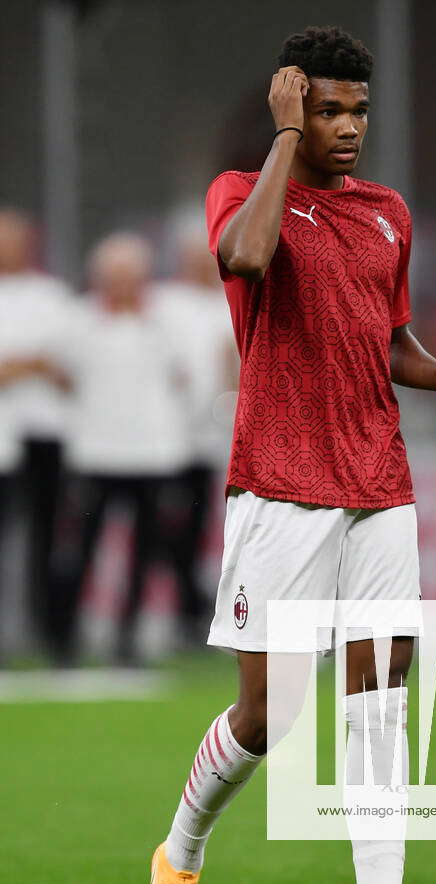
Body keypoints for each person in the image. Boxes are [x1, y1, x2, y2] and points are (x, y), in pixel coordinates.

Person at [140, 26, 436, 884]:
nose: (347, 128)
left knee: (379, 703)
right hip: (282, 483)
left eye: (357, 111)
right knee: (272, 717)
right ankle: (178, 861)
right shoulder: (242, 195)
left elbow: (381, 341)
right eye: (326, 110)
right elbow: (246, 261)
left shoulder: (386, 212)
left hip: (378, 482)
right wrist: (281, 144)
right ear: (292, 107)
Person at [49, 233, 189, 665]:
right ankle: (65, 641)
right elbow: (60, 375)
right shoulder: (77, 320)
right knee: (78, 550)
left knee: (147, 553)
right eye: (114, 276)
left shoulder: (165, 320)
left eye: (131, 276)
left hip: (154, 455)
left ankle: (129, 642)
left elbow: (182, 377)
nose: (123, 284)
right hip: (94, 454)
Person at [151, 229, 239, 640]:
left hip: (217, 439)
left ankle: (206, 611)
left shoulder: (233, 301)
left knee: (208, 527)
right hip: (166, 438)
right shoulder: (164, 304)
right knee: (168, 527)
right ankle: (188, 606)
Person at [0, 209, 73, 643]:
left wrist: (22, 365)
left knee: (49, 538)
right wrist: (32, 363)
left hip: (48, 432)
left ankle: (51, 634)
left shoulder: (53, 296)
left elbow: (69, 367)